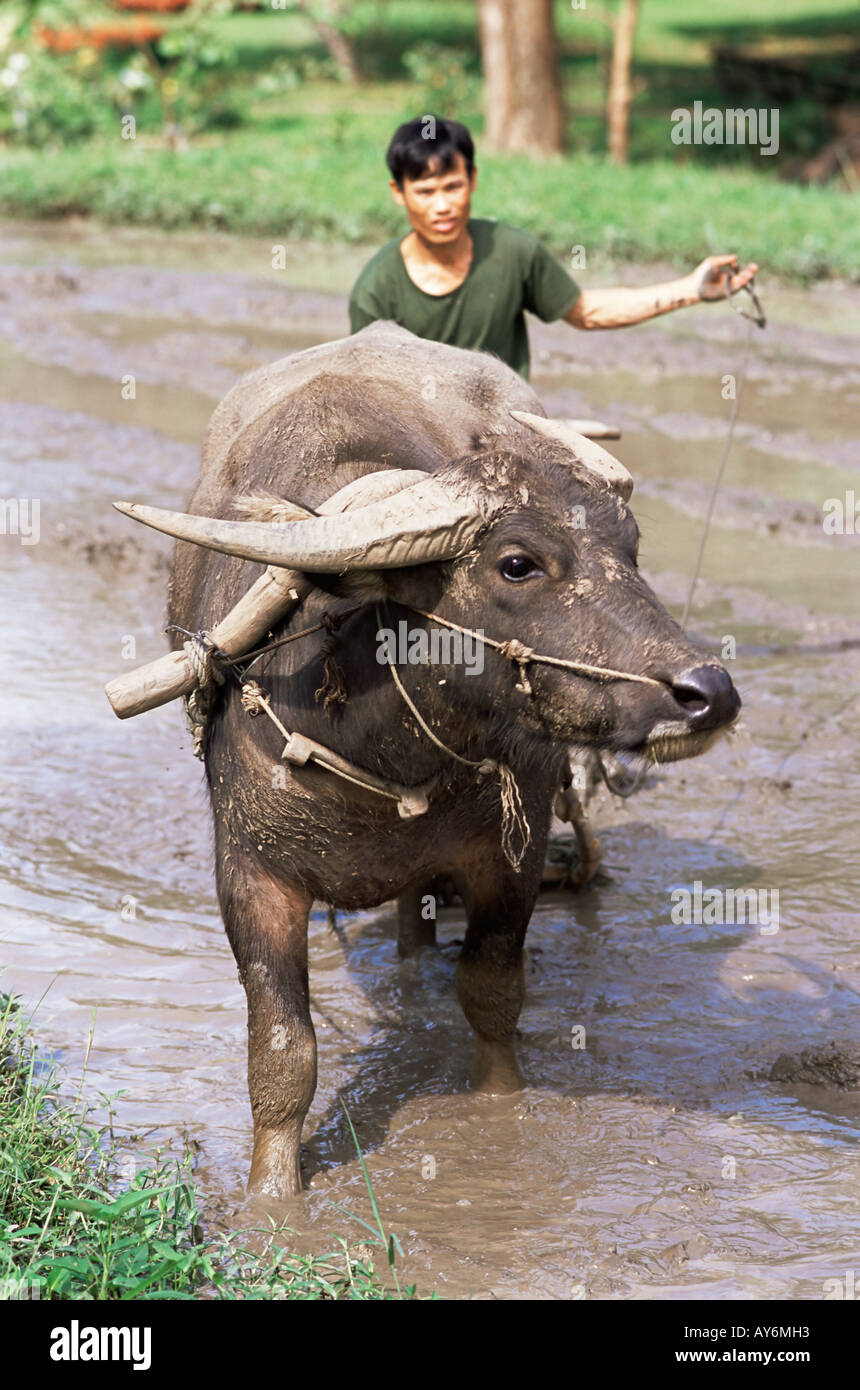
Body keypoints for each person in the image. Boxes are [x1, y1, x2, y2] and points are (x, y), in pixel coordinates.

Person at [349, 116, 759, 379]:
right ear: (398, 193)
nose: (442, 206)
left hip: (502, 432)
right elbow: (372, 394)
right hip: (419, 445)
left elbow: (586, 312)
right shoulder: (376, 290)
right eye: (425, 192)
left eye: (452, 187)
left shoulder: (513, 251)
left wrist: (690, 289)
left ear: (472, 180)